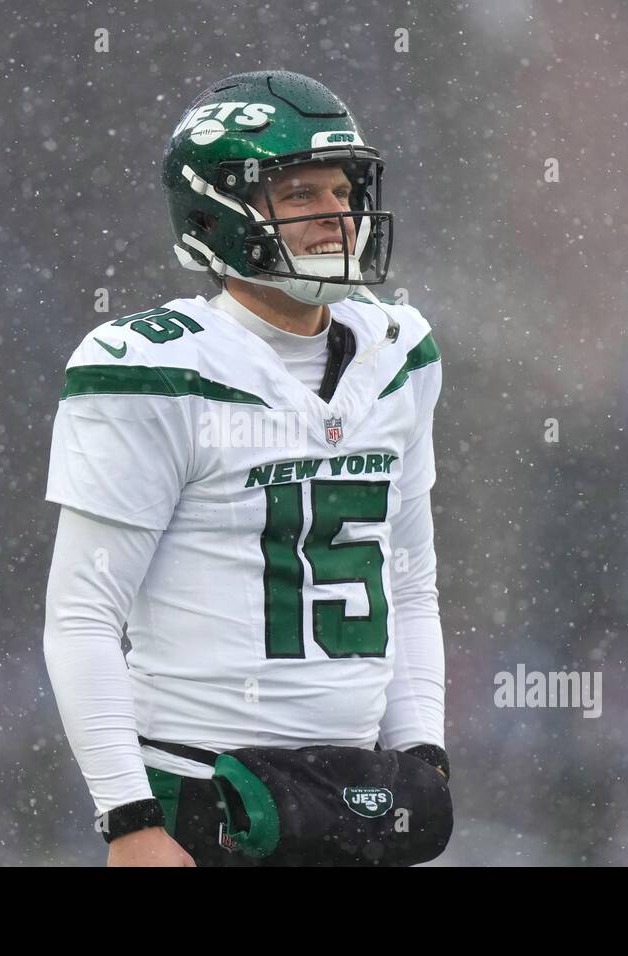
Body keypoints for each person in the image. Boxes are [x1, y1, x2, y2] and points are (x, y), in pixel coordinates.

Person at [43, 70, 447, 866]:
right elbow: (83, 616)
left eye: (343, 188)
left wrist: (422, 756)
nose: (337, 215)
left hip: (356, 797)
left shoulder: (400, 354)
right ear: (216, 215)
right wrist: (128, 818)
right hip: (204, 794)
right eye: (300, 195)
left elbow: (410, 581)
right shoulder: (152, 368)